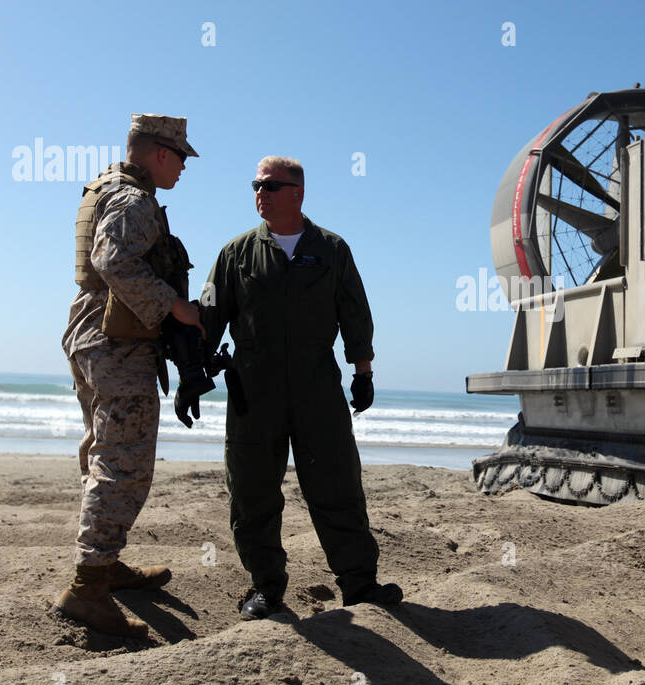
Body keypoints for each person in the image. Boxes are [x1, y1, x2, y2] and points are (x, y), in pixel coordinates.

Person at [196, 155, 401, 619]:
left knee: (337, 484)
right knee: (252, 491)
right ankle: (266, 588)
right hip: (253, 390)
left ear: (297, 193)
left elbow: (355, 312)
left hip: (317, 388)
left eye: (269, 186)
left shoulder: (331, 249)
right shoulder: (236, 253)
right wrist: (193, 372)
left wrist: (363, 371)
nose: (259, 194)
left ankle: (359, 585)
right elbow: (209, 316)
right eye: (255, 186)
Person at [56, 114, 203, 638]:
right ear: (160, 152)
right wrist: (176, 309)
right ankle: (88, 586)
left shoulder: (108, 188)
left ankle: (105, 563)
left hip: (92, 332)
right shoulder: (134, 200)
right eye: (181, 157)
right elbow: (112, 259)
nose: (184, 167)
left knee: (102, 452)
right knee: (124, 463)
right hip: (116, 343)